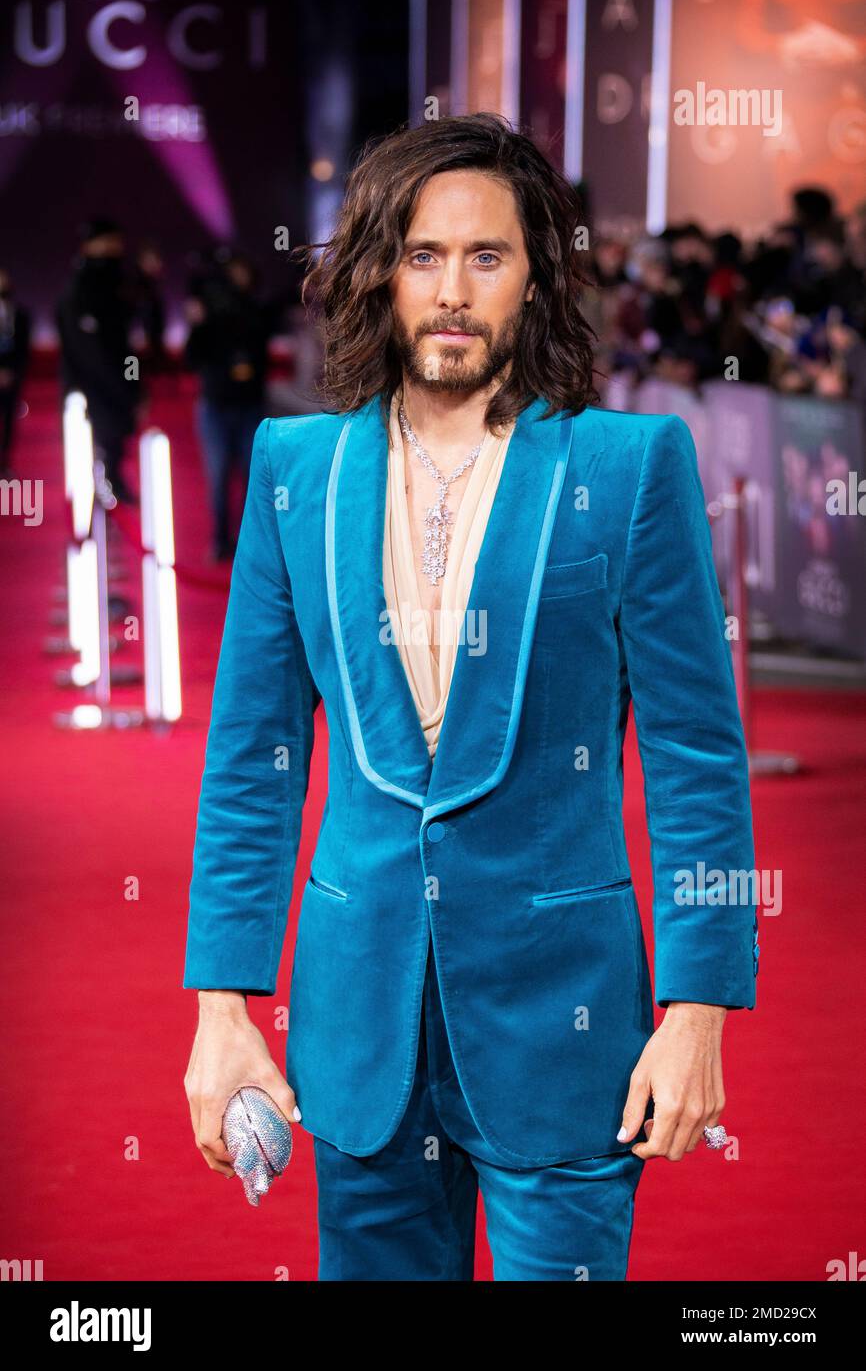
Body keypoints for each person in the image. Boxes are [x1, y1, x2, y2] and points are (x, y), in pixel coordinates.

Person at [182, 114, 759, 1282]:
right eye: (422, 255)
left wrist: (697, 1008)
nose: (452, 291)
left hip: (566, 1028)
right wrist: (221, 1007)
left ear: (535, 275)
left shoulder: (626, 466)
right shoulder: (296, 470)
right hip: (359, 1025)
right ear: (378, 273)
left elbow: (697, 758)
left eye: (485, 255)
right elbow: (251, 757)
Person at [184, 251, 278, 561]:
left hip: (249, 405)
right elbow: (191, 358)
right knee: (218, 477)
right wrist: (199, 324)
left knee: (254, 478)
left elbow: (264, 347)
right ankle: (220, 540)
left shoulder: (256, 310)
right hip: (216, 406)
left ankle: (252, 545)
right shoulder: (209, 313)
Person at [56, 217, 141, 504]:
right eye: (104, 241)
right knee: (94, 451)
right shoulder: (79, 289)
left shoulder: (122, 284)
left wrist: (134, 385)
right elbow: (84, 349)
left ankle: (111, 488)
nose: (112, 248)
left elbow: (129, 345)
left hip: (119, 383)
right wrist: (119, 385)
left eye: (115, 241)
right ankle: (99, 497)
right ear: (88, 245)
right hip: (88, 389)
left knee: (116, 445)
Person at [0, 268, 31, 477]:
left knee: (9, 422)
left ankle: (4, 464)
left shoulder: (20, 314)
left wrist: (11, 373)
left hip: (12, 378)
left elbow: (23, 349)